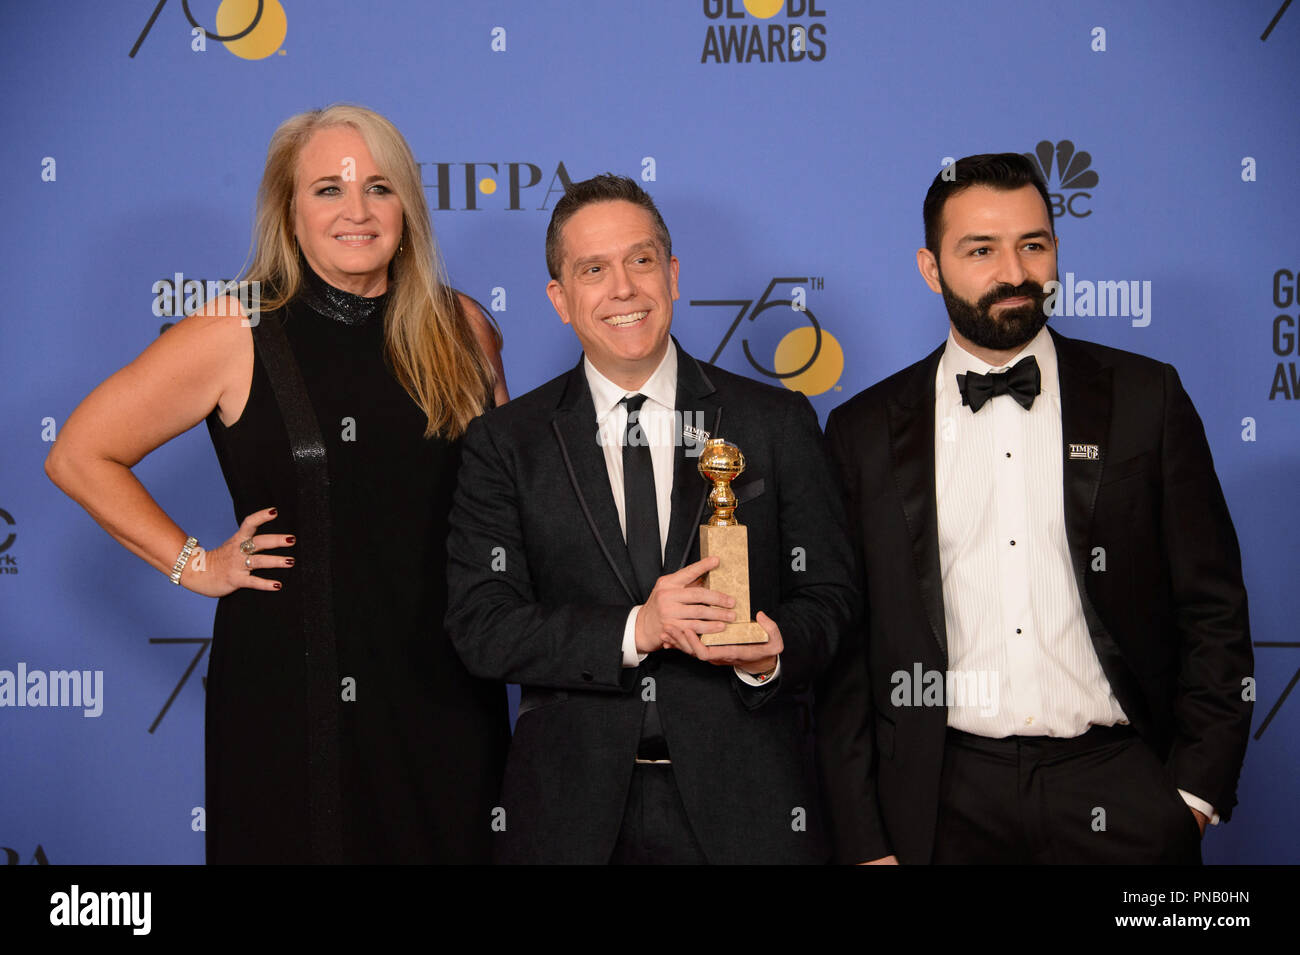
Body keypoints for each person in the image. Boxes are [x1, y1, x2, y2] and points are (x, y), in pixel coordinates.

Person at [45, 104, 511, 864]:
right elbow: (77, 454)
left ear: (408, 207)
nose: (356, 210)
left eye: (379, 188)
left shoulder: (461, 327)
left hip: (450, 689)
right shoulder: (236, 330)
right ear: (288, 210)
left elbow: (506, 506)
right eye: (328, 188)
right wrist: (195, 563)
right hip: (293, 694)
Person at [816, 153, 1253, 864]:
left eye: (1033, 244)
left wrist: (1191, 798)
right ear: (931, 267)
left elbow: (1214, 607)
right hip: (940, 801)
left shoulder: (1147, 399)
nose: (1014, 272)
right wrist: (866, 839)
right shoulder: (862, 431)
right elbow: (848, 657)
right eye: (980, 249)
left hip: (1122, 788)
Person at [444, 174, 856, 864]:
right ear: (560, 299)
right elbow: (481, 627)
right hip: (570, 819)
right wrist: (639, 627)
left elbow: (834, 598)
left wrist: (771, 653)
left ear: (671, 274)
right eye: (593, 270)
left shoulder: (774, 422)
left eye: (640, 261)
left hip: (749, 811)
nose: (623, 289)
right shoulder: (506, 444)